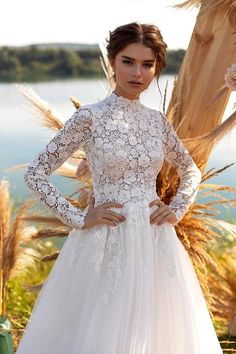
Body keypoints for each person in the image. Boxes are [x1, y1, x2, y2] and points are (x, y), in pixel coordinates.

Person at [16, 22, 223, 354]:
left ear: (157, 68)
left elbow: (190, 170)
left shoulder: (157, 121)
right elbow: (36, 173)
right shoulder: (90, 117)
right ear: (113, 61)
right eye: (128, 61)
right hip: (105, 241)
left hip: (155, 241)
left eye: (147, 64)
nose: (137, 73)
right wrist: (80, 217)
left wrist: (178, 207)